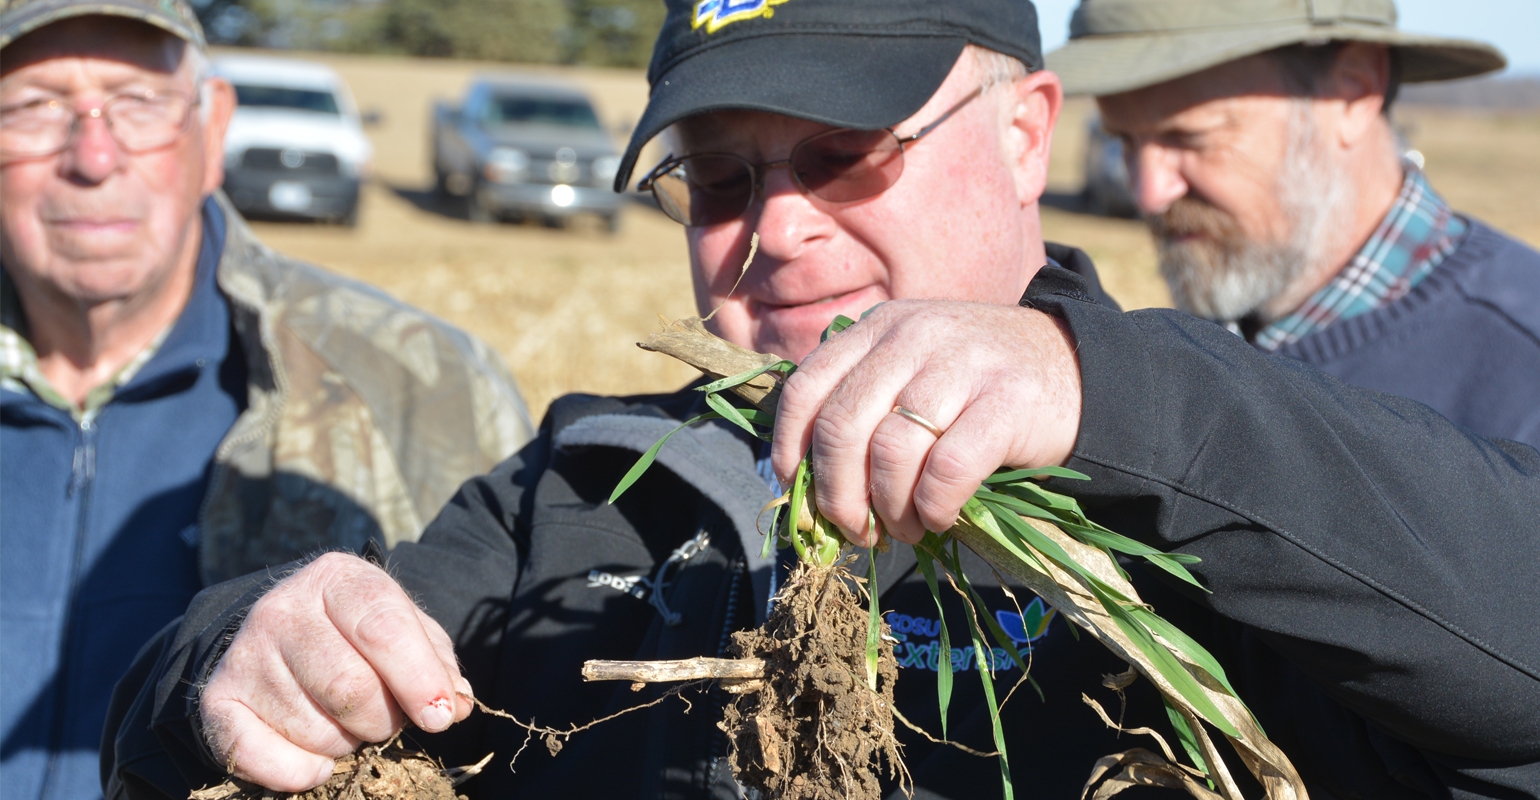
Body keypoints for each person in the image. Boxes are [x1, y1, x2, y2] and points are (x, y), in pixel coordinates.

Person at [102, 0, 1540, 798]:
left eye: (845, 153)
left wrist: (1105, 396)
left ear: (1026, 135)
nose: (775, 228)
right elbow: (165, 744)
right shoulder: (590, 487)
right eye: (718, 179)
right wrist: (235, 653)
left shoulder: (1226, 481)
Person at [0, 3, 535, 799]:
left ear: (212, 132)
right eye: (33, 107)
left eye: (137, 102)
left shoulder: (426, 383)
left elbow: (502, 729)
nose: (93, 155)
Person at [1047, 0, 1540, 447]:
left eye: (1191, 139)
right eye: (1125, 143)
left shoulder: (1521, 385)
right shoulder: (1179, 352)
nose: (1147, 194)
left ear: (1353, 92)